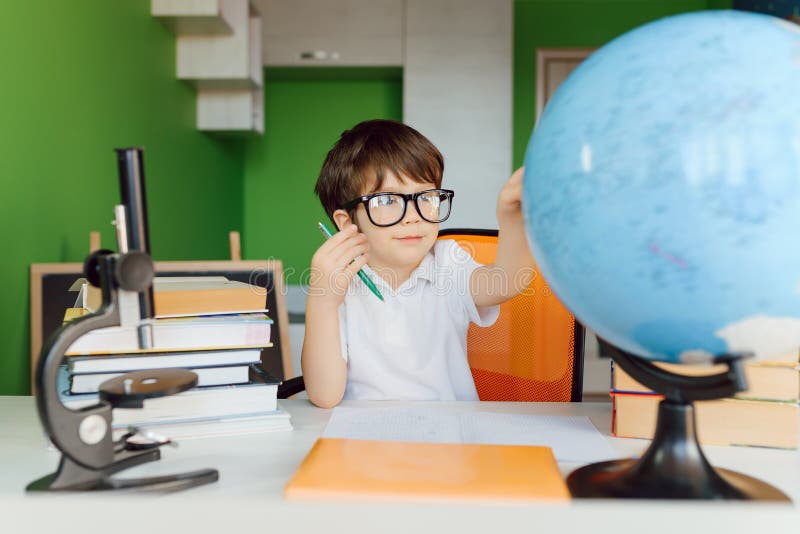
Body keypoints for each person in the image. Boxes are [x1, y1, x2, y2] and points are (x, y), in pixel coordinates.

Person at [302, 119, 535, 408]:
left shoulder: (447, 261)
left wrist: (513, 223)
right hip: (366, 441)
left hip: (449, 438)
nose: (413, 216)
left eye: (426, 197)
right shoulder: (339, 287)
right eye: (387, 200)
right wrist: (323, 301)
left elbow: (507, 282)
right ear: (347, 222)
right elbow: (324, 396)